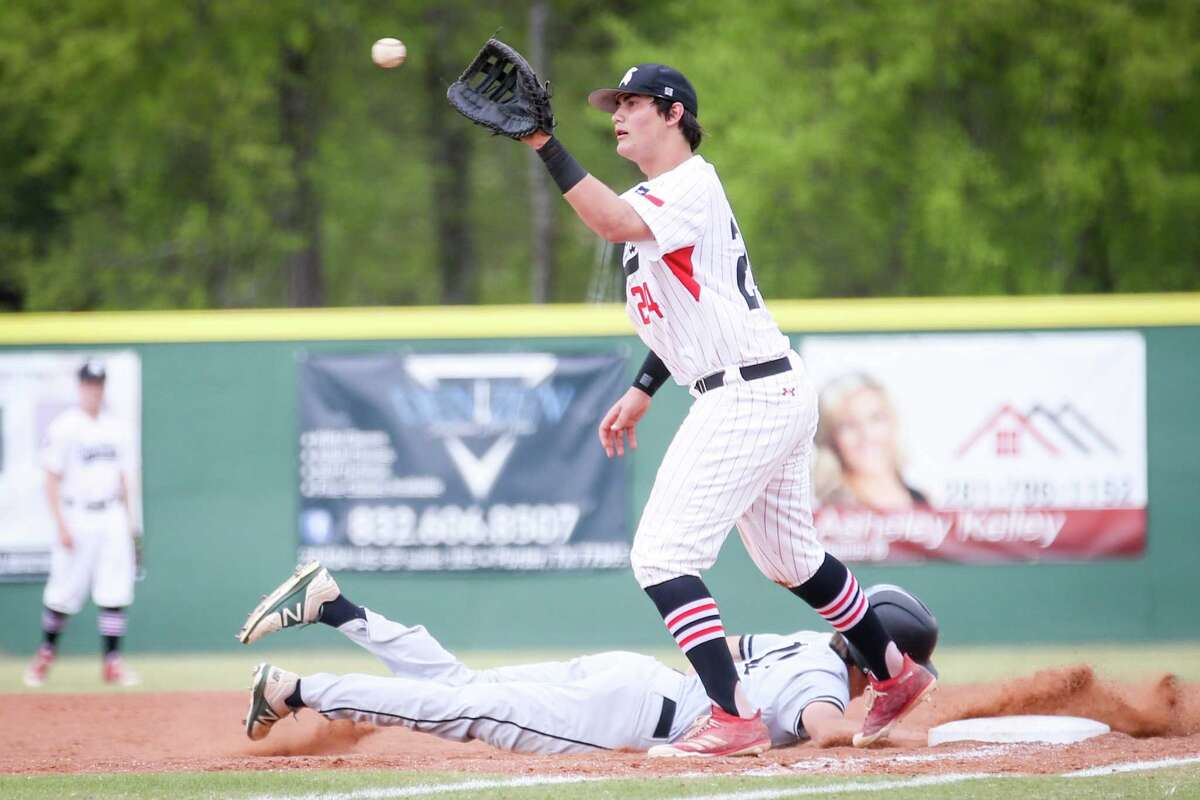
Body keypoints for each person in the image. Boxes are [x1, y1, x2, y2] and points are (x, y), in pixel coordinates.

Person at [482, 60, 937, 755]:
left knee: (661, 556)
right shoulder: (660, 197)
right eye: (615, 104)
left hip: (749, 393)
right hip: (763, 384)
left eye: (633, 102)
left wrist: (545, 143)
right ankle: (894, 672)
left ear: (673, 113)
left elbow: (608, 222)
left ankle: (732, 716)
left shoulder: (688, 183)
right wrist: (642, 388)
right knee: (791, 560)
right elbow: (688, 316)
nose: (618, 113)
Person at [237, 562, 938, 753]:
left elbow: (719, 649)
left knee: (462, 687)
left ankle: (336, 608)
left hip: (632, 677)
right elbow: (822, 721)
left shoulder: (809, 642)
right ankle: (297, 691)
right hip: (629, 716)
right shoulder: (821, 674)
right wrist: (854, 739)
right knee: (461, 708)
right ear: (881, 656)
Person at [23, 360, 141, 687]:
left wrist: (132, 526)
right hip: (76, 514)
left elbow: (127, 479)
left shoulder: (119, 428)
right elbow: (50, 479)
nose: (94, 389)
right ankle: (45, 655)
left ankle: (112, 662)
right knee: (63, 590)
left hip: (112, 514)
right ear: (80, 387)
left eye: (99, 383)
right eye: (89, 383)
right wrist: (60, 524)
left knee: (115, 587)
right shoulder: (65, 427)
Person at [813, 373, 929, 511]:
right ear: (831, 437)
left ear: (893, 422)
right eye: (849, 425)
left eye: (876, 418)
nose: (866, 435)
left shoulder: (921, 499)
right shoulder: (830, 511)